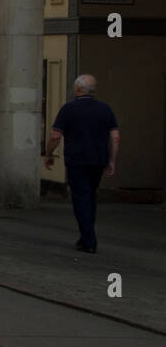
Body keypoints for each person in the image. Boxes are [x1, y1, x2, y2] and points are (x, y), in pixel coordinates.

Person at [44, 74, 119, 254]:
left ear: (77, 89)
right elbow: (115, 137)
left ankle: (89, 240)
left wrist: (48, 154)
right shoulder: (105, 109)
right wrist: (112, 161)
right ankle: (86, 236)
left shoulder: (68, 109)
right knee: (90, 196)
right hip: (98, 160)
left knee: (80, 198)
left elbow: (55, 136)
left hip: (76, 160)